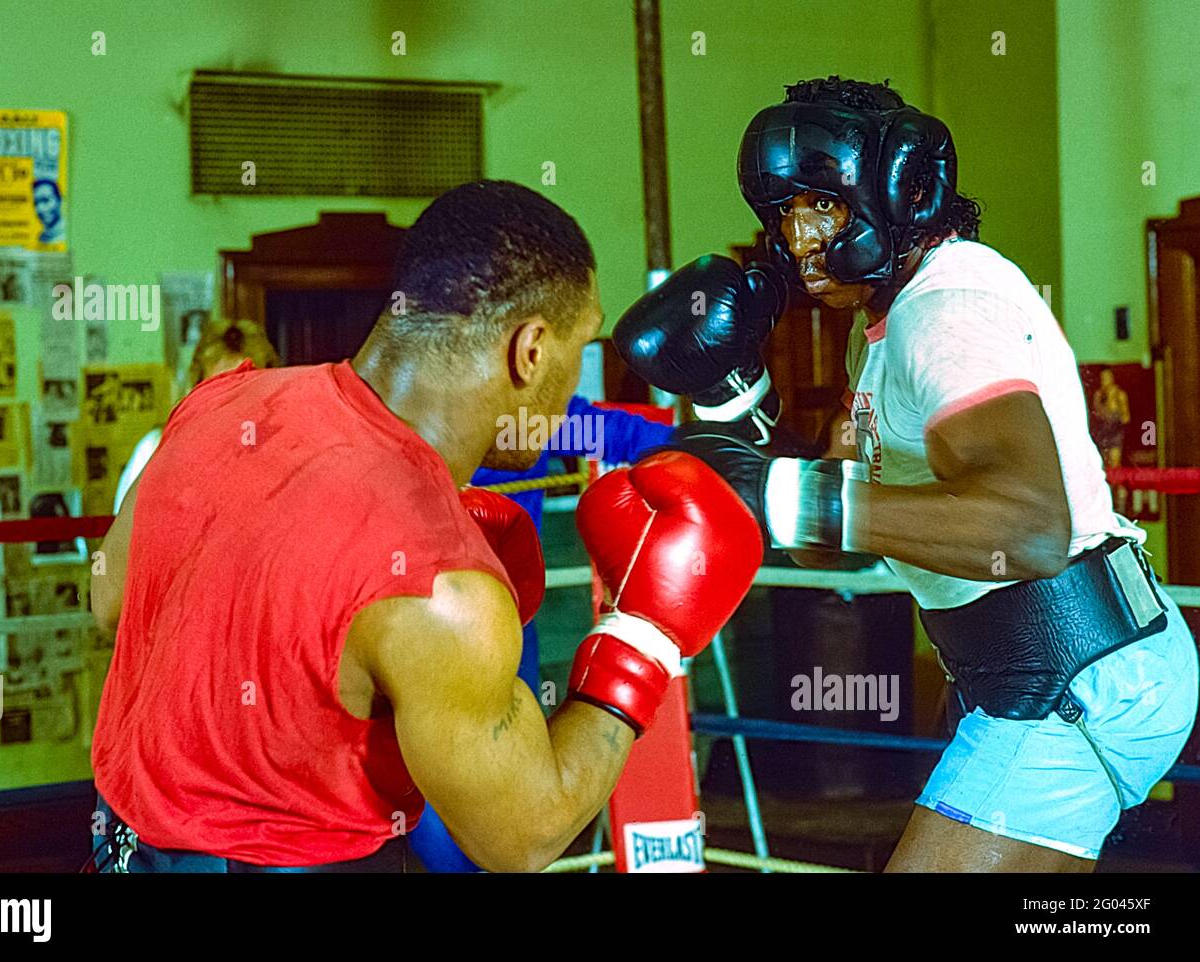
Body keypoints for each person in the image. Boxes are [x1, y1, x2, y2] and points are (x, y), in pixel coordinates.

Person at [87, 180, 761, 873]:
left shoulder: (221, 408)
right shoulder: (442, 585)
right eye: (581, 344)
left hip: (118, 851)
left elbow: (108, 604)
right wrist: (641, 636)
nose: (575, 382)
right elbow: (523, 835)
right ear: (530, 351)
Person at [614, 77, 1198, 872]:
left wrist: (781, 496)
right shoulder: (883, 328)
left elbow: (1027, 525)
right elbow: (832, 538)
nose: (797, 237)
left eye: (820, 205)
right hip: (1045, 672)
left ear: (902, 187)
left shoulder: (946, 307)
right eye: (783, 212)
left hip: (1071, 677)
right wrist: (732, 403)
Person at [411, 395, 675, 871]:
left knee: (504, 772)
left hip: (507, 619)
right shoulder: (412, 404)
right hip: (427, 620)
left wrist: (730, 436)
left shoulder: (528, 412)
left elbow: (632, 437)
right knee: (436, 772)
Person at [112, 317, 279, 512]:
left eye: (246, 387)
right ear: (197, 387)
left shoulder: (277, 451)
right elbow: (126, 533)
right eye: (220, 387)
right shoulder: (155, 448)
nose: (233, 403)